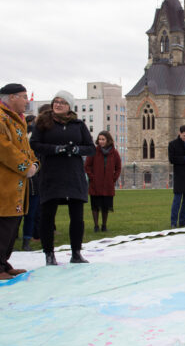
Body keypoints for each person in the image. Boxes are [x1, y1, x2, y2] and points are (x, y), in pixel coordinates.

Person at [0, 83, 39, 280]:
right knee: (3, 226)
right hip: (1, 182)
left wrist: (34, 162)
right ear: (12, 97)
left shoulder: (15, 119)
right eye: (24, 97)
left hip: (16, 184)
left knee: (12, 225)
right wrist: (26, 167)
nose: (27, 101)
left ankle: (3, 262)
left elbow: (24, 147)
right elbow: (4, 150)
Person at [30, 90, 95, 265]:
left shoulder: (78, 125)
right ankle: (49, 254)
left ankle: (76, 253)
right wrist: (56, 149)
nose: (58, 104)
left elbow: (91, 148)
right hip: (51, 174)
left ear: (69, 106)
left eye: (62, 102)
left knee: (77, 217)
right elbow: (34, 144)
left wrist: (76, 149)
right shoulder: (43, 123)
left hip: (74, 175)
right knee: (47, 215)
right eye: (56, 101)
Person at [85, 130, 122, 232]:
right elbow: (87, 166)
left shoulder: (114, 153)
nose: (101, 141)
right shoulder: (94, 151)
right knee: (95, 206)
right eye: (99, 139)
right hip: (95, 184)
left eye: (103, 139)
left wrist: (113, 178)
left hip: (108, 185)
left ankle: (104, 226)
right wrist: (92, 178)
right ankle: (96, 226)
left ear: (108, 140)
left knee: (105, 206)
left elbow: (118, 167)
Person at [20, 114, 39, 251]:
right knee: (16, 215)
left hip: (33, 184)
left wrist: (35, 166)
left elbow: (37, 161)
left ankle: (26, 240)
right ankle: (12, 239)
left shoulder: (34, 147)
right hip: (20, 185)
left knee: (31, 214)